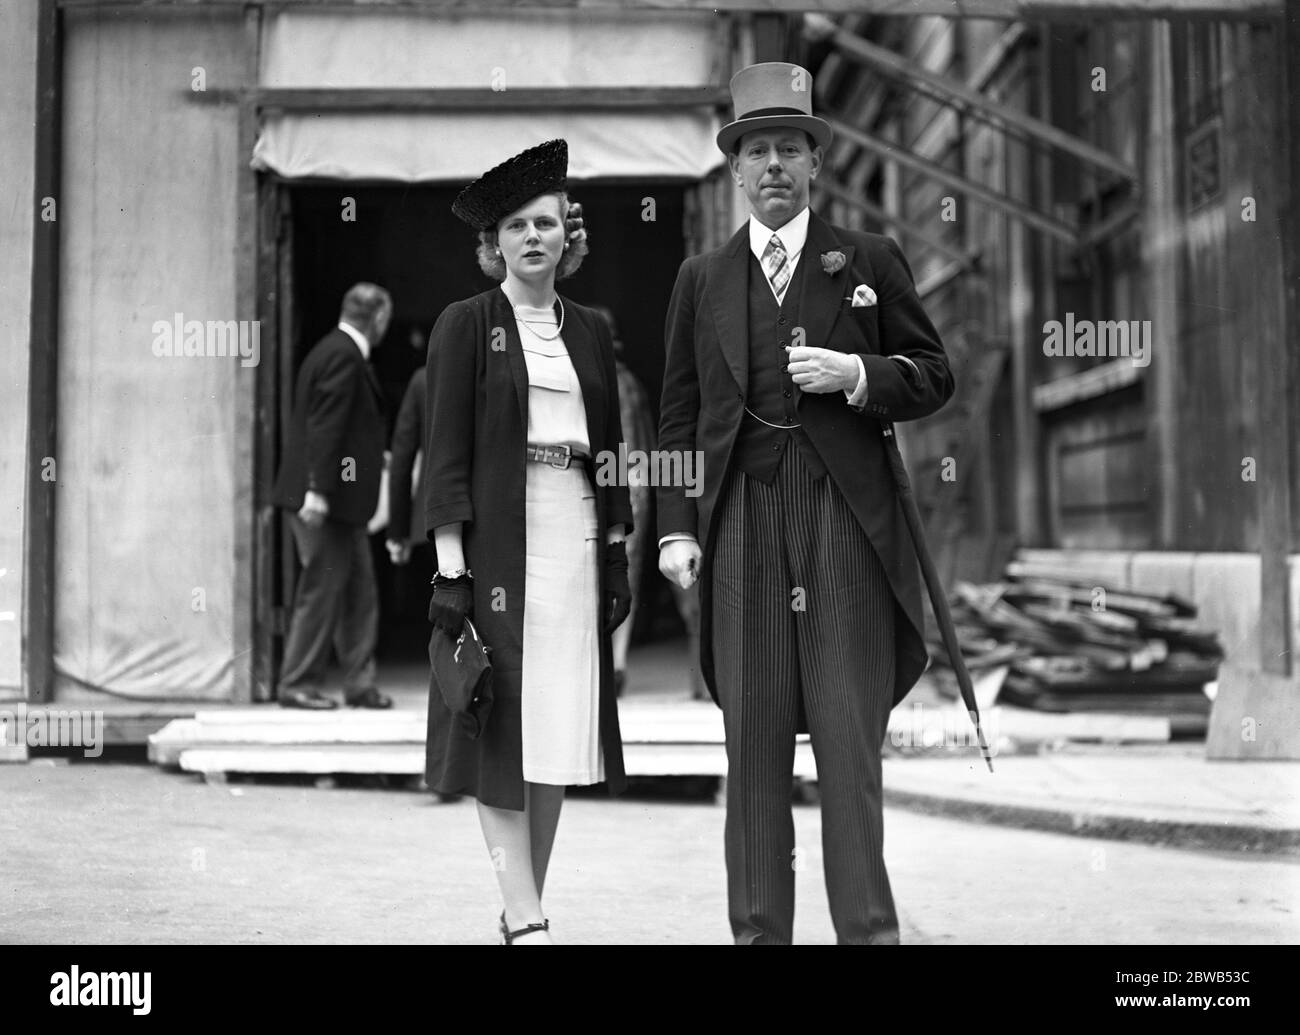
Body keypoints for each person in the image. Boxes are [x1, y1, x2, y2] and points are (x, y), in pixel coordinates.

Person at [656, 63, 955, 944]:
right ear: (736, 171)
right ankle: (758, 933)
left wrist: (860, 374)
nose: (775, 164)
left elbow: (935, 374)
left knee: (846, 741)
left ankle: (869, 933)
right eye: (758, 150)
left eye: (791, 146)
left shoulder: (868, 261)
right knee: (751, 748)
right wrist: (676, 528)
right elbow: (677, 418)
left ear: (816, 163)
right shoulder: (700, 279)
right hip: (743, 521)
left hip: (844, 525)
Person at [422, 139, 634, 945]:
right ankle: (528, 916)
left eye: (547, 223)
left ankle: (523, 914)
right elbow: (444, 456)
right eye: (517, 226)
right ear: (495, 243)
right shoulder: (466, 325)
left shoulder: (588, 332)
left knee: (558, 729)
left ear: (567, 236)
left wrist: (615, 546)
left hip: (573, 531)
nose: (534, 237)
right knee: (502, 726)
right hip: (500, 548)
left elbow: (607, 443)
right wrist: (451, 570)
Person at [272, 283, 395, 711]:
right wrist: (319, 491)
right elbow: (326, 428)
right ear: (378, 317)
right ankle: (297, 683)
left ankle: (359, 685)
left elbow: (339, 428)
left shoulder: (332, 350)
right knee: (321, 590)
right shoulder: (344, 355)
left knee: (359, 594)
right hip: (326, 504)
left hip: (343, 507)